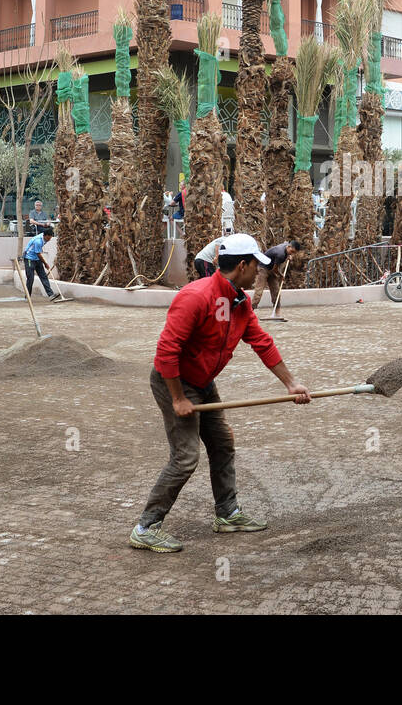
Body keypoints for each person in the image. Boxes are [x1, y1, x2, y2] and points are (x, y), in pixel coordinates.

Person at [130, 234, 310, 553]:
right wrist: (178, 399)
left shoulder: (239, 302)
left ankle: (227, 514)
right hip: (174, 382)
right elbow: (166, 352)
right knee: (186, 457)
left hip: (202, 382)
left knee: (222, 444)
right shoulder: (196, 296)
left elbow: (261, 342)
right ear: (242, 265)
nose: (258, 272)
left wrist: (291, 384)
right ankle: (146, 527)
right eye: (256, 265)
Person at [252, 239, 301, 310]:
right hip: (263, 268)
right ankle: (251, 310)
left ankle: (277, 312)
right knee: (259, 291)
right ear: (289, 247)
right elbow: (275, 269)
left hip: (272, 268)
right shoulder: (280, 254)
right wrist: (281, 275)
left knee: (276, 291)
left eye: (294, 253)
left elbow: (285, 244)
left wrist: (288, 256)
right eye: (292, 252)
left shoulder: (286, 245)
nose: (291, 254)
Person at [21, 226, 60, 301]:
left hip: (36, 258)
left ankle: (51, 295)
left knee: (43, 276)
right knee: (30, 278)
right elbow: (38, 253)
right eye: (48, 238)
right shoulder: (38, 241)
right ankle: (27, 297)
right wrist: (45, 264)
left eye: (50, 238)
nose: (49, 240)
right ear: (45, 236)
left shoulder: (44, 237)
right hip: (29, 259)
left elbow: (38, 253)